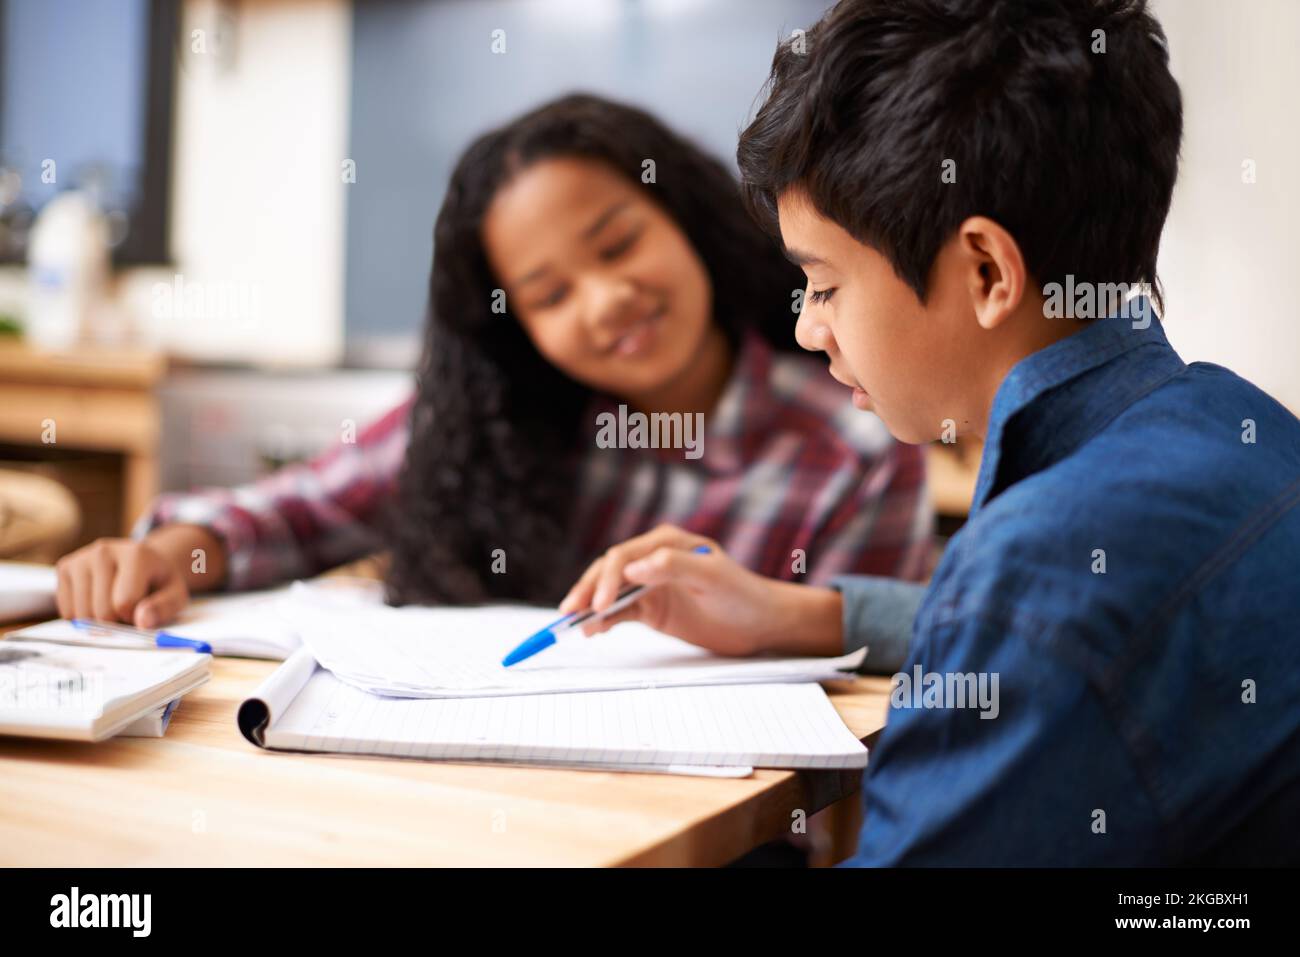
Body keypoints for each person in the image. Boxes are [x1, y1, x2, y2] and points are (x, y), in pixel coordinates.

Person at [562, 1, 1300, 865]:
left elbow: (1042, 616)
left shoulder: (1040, 567)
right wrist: (793, 616)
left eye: (827, 286)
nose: (808, 329)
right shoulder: (1241, 422)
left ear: (987, 272)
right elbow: (1092, 628)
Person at [55, 94, 930, 635]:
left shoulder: (852, 444)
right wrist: (180, 549)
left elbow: (864, 681)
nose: (603, 301)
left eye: (619, 244)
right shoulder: (497, 419)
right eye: (547, 294)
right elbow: (298, 512)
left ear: (687, 222)